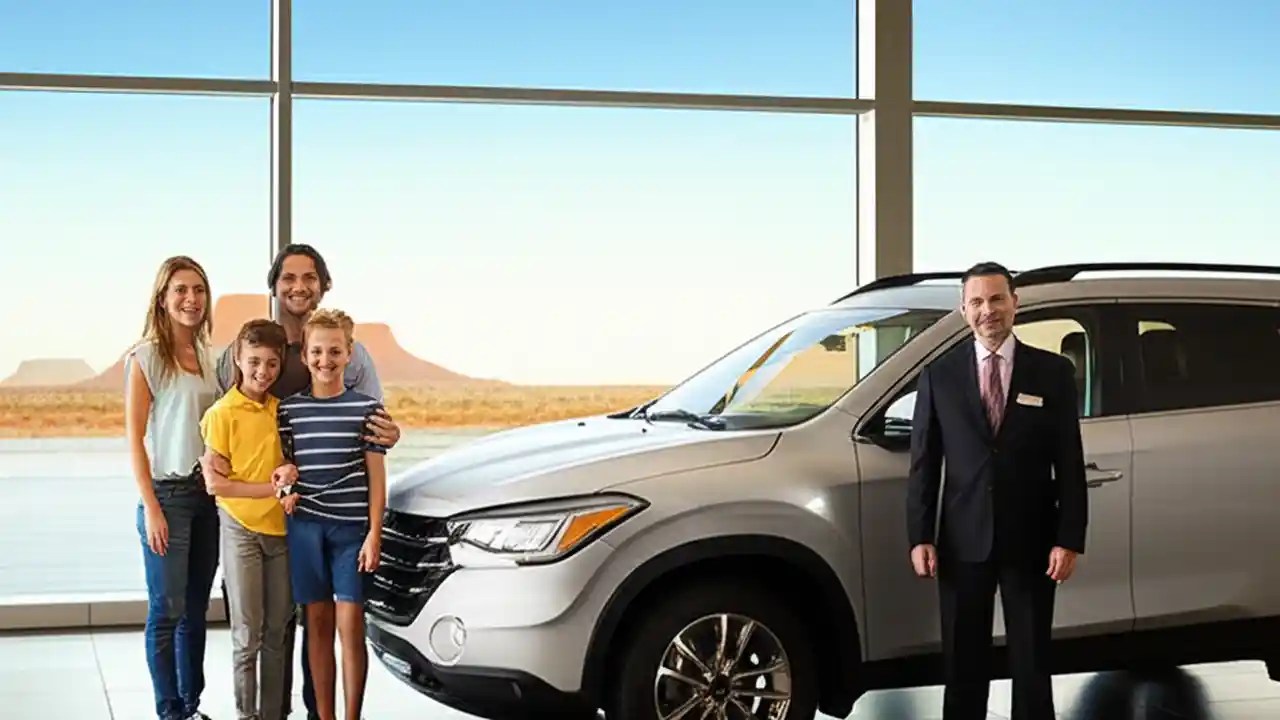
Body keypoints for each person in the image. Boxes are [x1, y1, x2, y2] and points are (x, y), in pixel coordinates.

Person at [203, 243, 401, 719]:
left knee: (319, 624)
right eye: (288, 278)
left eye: (309, 277)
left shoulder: (356, 358)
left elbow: (374, 432)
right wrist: (211, 459)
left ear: (323, 285)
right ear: (274, 286)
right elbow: (228, 416)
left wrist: (389, 434)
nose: (298, 286)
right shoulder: (250, 349)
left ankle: (320, 712)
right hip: (275, 517)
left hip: (334, 520)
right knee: (276, 624)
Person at [906, 261, 1088, 720]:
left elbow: (1069, 460)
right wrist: (920, 535)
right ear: (963, 310)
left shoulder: (1053, 372)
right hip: (961, 540)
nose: (988, 310)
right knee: (962, 664)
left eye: (997, 299)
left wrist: (1069, 537)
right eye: (977, 302)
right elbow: (924, 463)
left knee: (1032, 662)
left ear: (1015, 303)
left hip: (1033, 539)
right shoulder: (938, 376)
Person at [274, 308, 386, 720]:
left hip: (352, 533)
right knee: (317, 626)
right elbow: (283, 469)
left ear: (349, 353)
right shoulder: (289, 411)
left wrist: (375, 534)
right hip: (305, 529)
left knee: (351, 625)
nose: (326, 360)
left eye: (335, 351)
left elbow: (377, 477)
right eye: (317, 352)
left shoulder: (368, 410)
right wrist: (285, 489)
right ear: (305, 355)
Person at [125, 255, 222, 720]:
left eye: (198, 290)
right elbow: (134, 440)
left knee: (195, 610)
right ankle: (170, 711)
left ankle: (190, 706)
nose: (191, 298)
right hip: (167, 496)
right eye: (181, 290)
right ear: (162, 298)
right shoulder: (146, 358)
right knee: (166, 610)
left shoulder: (211, 358)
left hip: (209, 498)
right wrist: (152, 508)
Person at [200, 319, 297, 720]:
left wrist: (289, 474)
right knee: (246, 635)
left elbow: (289, 468)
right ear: (238, 359)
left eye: (272, 363)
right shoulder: (221, 414)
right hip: (240, 531)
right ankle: (246, 715)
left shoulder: (282, 412)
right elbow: (217, 486)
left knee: (277, 632)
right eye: (254, 361)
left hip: (281, 534)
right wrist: (271, 491)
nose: (263, 371)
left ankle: (272, 714)